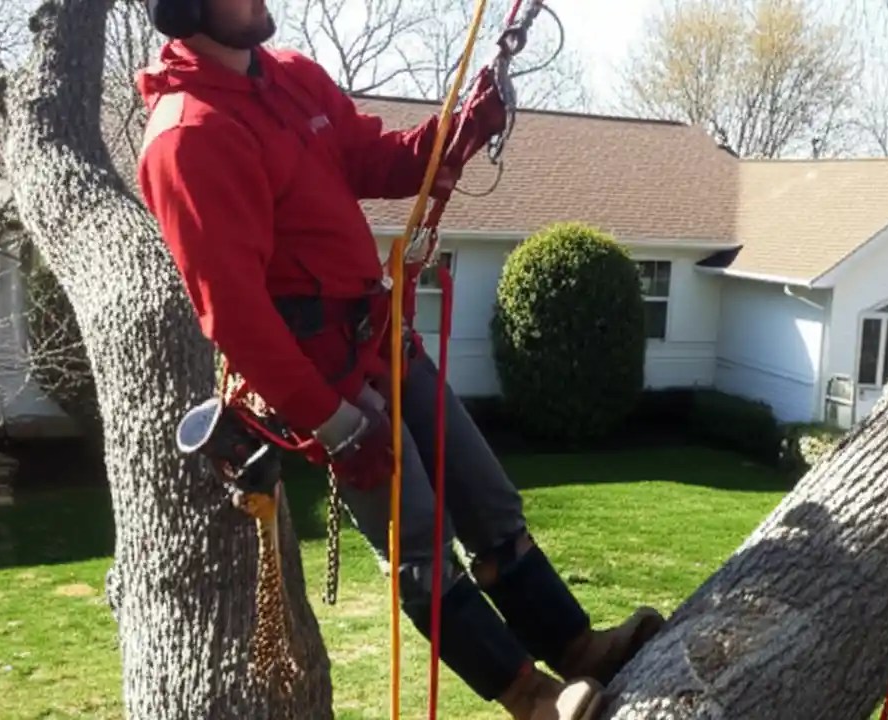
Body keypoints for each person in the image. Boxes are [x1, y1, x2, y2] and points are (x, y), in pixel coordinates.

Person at [134, 0, 666, 716]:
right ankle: (528, 695)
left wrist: (464, 126)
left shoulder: (291, 77)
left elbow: (378, 159)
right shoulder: (189, 137)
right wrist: (333, 425)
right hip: (324, 378)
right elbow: (235, 318)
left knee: (489, 503)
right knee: (419, 545)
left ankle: (574, 648)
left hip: (381, 339)